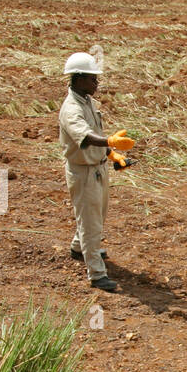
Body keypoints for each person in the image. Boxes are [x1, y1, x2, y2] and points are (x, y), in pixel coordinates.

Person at [59, 51, 134, 293]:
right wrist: (109, 142)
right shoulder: (71, 108)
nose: (96, 83)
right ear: (79, 78)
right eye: (92, 79)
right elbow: (86, 136)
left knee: (96, 216)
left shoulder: (87, 100)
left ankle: (79, 247)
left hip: (97, 168)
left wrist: (112, 156)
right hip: (83, 172)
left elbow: (93, 136)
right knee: (90, 222)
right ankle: (97, 273)